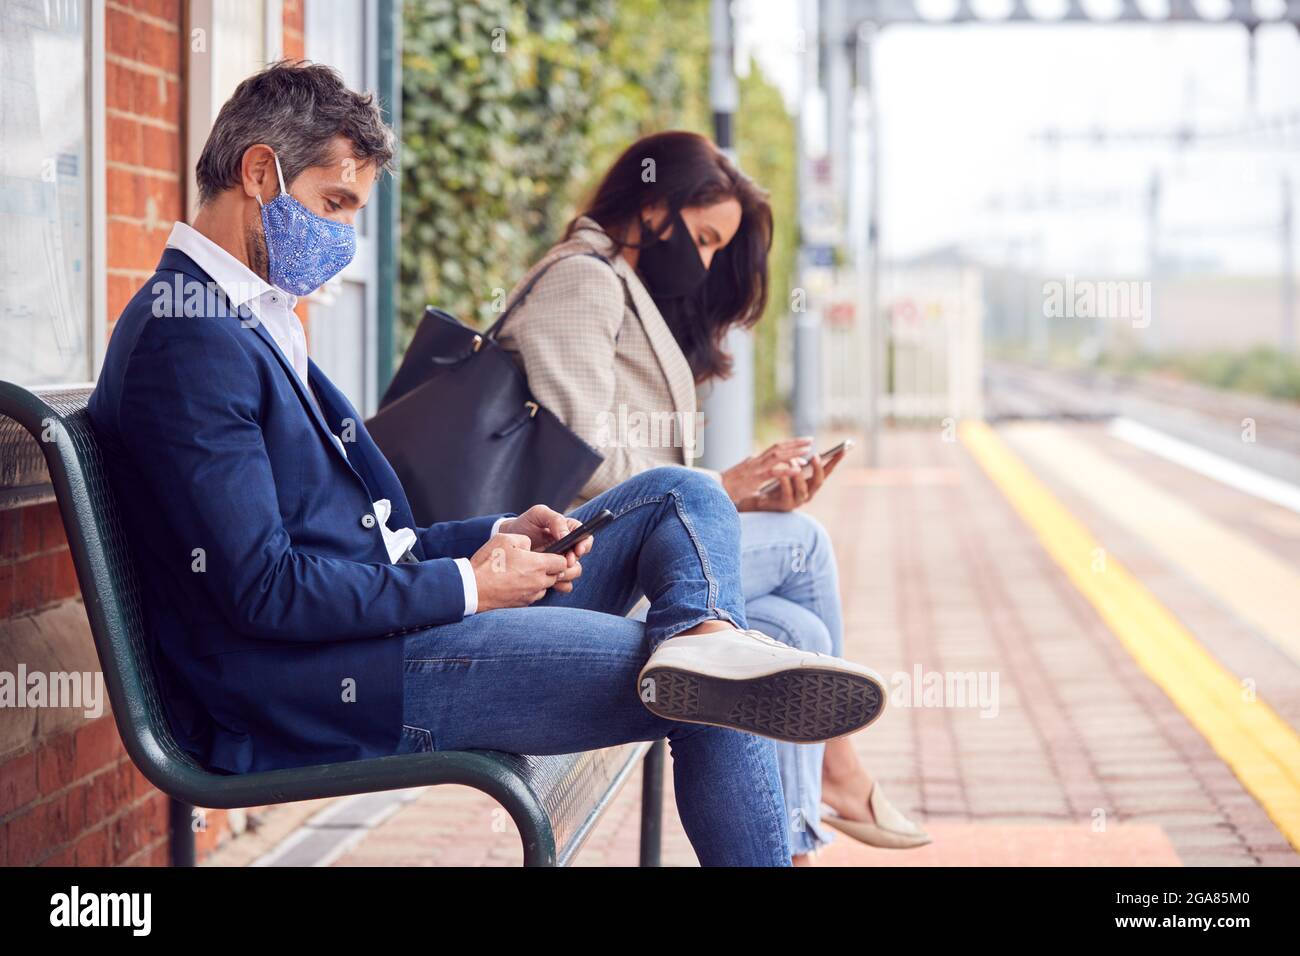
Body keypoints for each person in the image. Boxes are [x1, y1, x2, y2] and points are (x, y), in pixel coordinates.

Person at [85, 61, 889, 867]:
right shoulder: (189, 338)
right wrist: (472, 584)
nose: (342, 237)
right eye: (335, 204)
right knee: (706, 691)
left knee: (679, 500)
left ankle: (705, 634)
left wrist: (494, 534)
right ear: (259, 172)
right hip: (326, 682)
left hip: (384, 634)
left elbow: (370, 544)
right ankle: (707, 655)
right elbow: (264, 591)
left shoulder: (246, 318)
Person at [496, 130, 931, 863]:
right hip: (565, 570)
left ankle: (793, 846)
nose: (700, 263)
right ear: (654, 204)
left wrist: (739, 504)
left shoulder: (619, 285)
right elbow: (578, 462)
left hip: (622, 551)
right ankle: (840, 770)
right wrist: (721, 491)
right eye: (701, 239)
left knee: (796, 636)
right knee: (804, 544)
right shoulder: (585, 279)